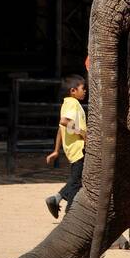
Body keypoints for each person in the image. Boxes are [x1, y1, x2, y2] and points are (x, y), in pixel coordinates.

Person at [44, 74, 87, 219]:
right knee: (77, 182)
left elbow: (60, 130)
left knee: (78, 180)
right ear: (73, 90)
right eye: (83, 88)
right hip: (79, 149)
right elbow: (64, 122)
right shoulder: (72, 104)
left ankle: (56, 199)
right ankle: (70, 214)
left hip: (74, 150)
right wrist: (82, 133)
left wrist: (56, 151)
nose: (85, 91)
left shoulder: (67, 104)